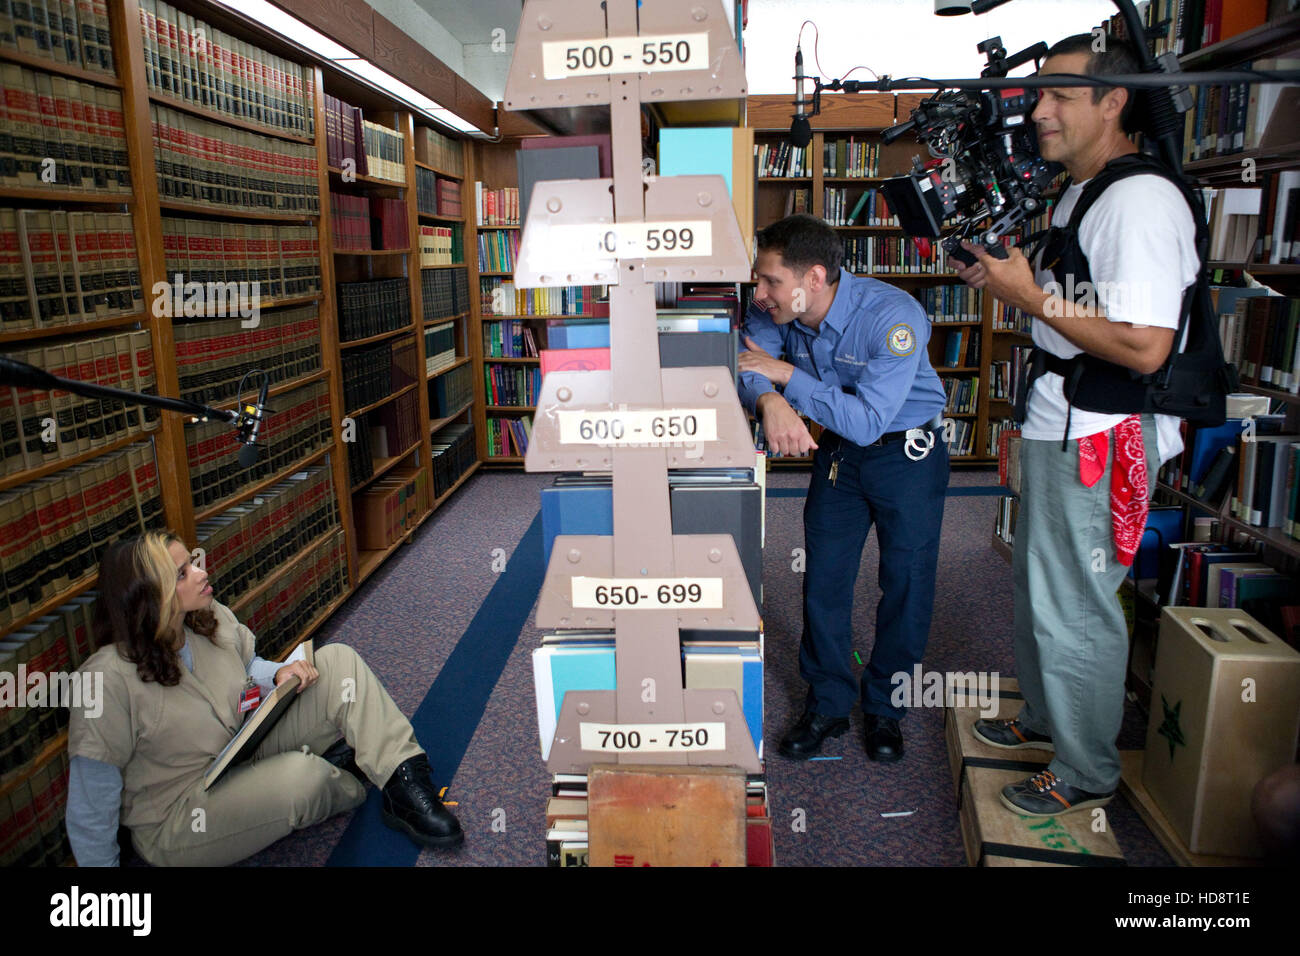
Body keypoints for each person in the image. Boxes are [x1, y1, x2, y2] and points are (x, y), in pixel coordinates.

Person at [954, 34, 1198, 816]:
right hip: (1063, 418)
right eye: (1039, 93)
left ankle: (1085, 768)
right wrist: (1002, 278)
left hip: (1102, 433)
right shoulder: (1079, 192)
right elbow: (1077, 310)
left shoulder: (1138, 200)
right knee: (1039, 589)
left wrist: (1028, 300)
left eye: (1061, 94)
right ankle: (1045, 720)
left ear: (1114, 101)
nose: (1039, 109)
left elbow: (1144, 343)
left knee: (1077, 605)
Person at [65, 531, 463, 865]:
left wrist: (277, 672)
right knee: (302, 778)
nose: (202, 573)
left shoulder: (205, 616)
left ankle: (402, 782)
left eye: (194, 562)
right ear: (150, 596)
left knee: (338, 661)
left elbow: (247, 664)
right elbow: (90, 803)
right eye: (183, 573)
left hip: (240, 747)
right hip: (183, 812)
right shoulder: (106, 681)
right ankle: (351, 777)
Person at [737, 214, 949, 762]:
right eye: (757, 281)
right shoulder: (777, 310)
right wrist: (769, 399)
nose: (758, 295)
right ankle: (829, 702)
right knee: (824, 579)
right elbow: (746, 364)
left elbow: (866, 421)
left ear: (812, 278)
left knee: (905, 581)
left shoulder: (892, 316)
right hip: (837, 457)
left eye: (769, 282)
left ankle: (885, 707)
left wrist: (786, 378)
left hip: (907, 453)